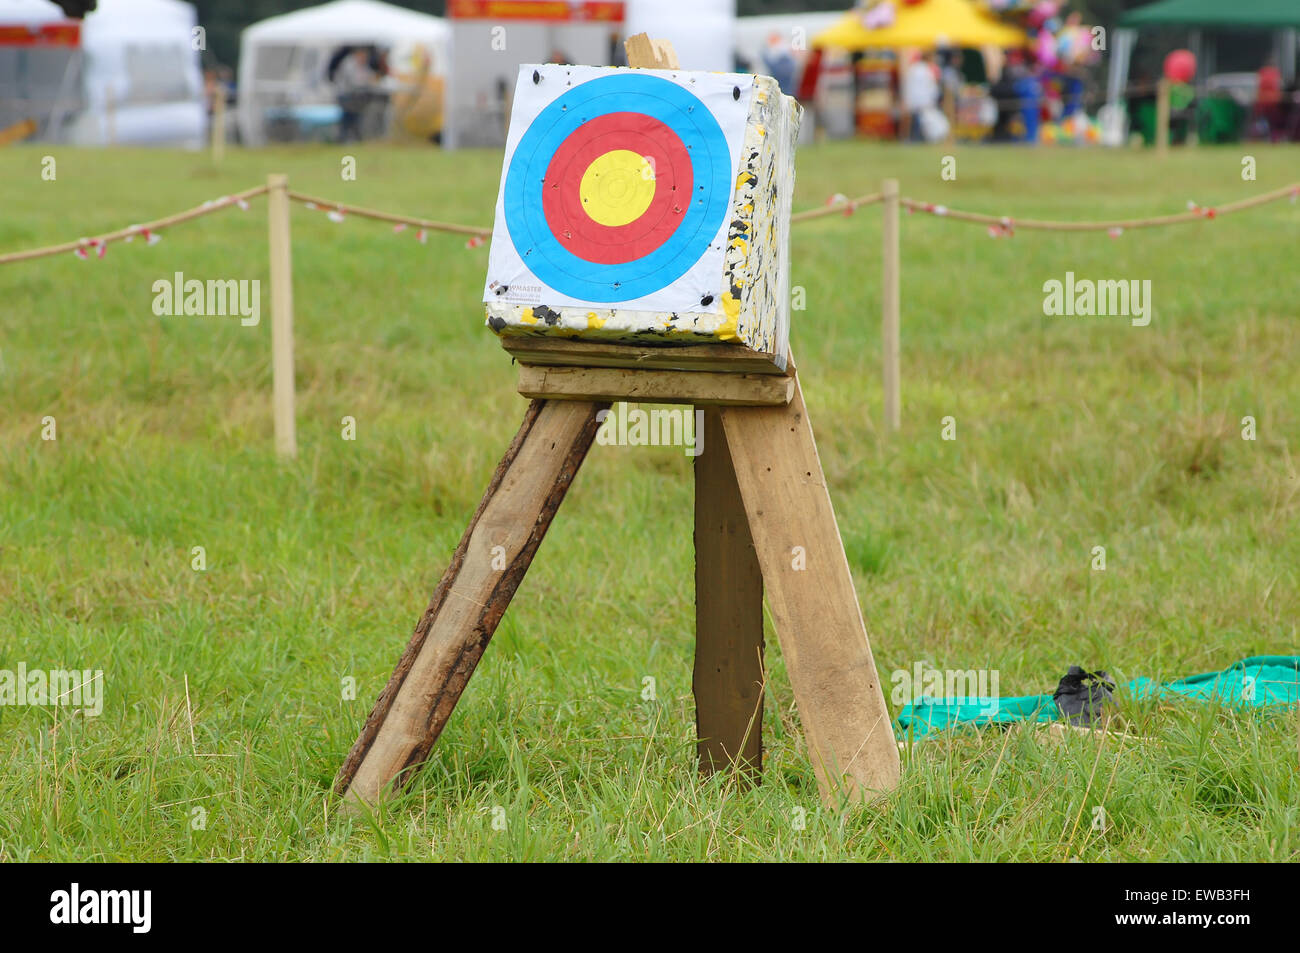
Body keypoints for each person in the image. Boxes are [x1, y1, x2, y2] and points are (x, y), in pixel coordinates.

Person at [334, 48, 376, 143]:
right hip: (346, 95)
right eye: (363, 56)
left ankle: (356, 139)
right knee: (347, 118)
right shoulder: (349, 64)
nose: (365, 59)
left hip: (356, 97)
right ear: (358, 54)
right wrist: (368, 81)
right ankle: (342, 139)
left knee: (356, 118)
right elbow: (354, 81)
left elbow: (369, 74)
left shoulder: (363, 65)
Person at [901, 51, 939, 142]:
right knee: (921, 119)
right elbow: (932, 87)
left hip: (914, 99)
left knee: (914, 119)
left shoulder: (913, 69)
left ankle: (912, 137)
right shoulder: (927, 70)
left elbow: (907, 85)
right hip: (924, 100)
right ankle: (918, 138)